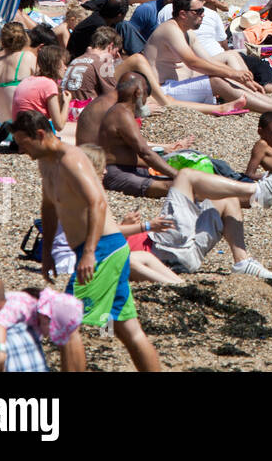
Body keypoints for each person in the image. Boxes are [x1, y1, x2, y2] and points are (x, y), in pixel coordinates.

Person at [10, 111, 161, 370]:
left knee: (63, 320)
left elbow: (97, 202)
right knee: (128, 330)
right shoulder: (45, 161)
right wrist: (47, 251)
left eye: (24, 144)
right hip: (101, 249)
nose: (23, 150)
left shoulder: (72, 159)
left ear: (40, 134)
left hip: (102, 248)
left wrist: (89, 252)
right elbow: (48, 206)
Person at [144, 0, 272, 117]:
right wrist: (233, 74)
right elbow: (193, 62)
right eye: (198, 11)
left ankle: (261, 98)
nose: (203, 15)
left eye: (203, 10)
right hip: (164, 89)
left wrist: (244, 79)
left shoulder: (187, 32)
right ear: (183, 14)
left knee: (231, 55)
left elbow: (208, 60)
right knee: (217, 80)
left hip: (182, 82)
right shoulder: (170, 29)